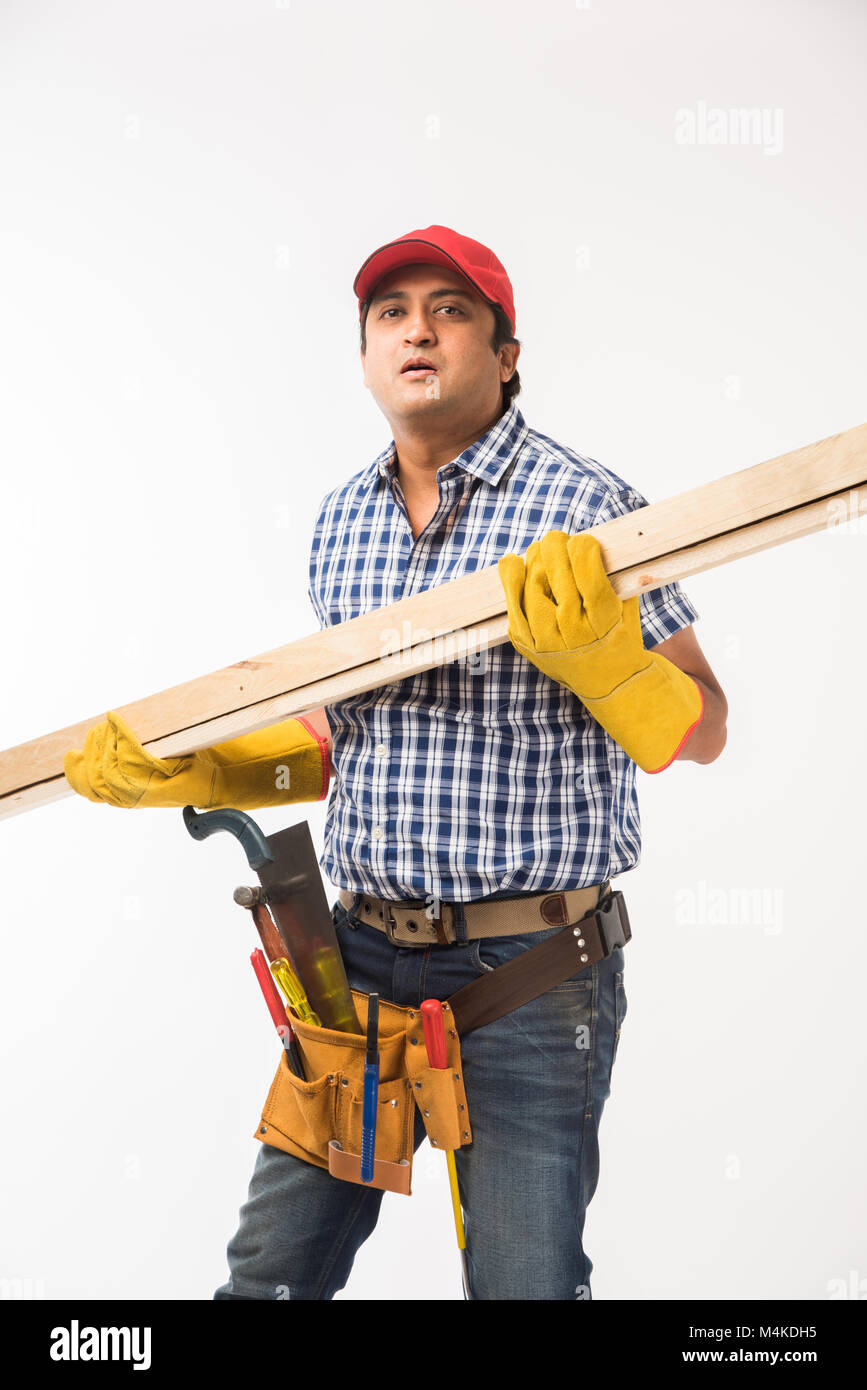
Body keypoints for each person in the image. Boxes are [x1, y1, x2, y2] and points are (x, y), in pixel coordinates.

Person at [64, 224, 728, 1300]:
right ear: (369, 353)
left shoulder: (585, 508)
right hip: (355, 966)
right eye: (392, 313)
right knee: (269, 1277)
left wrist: (609, 666)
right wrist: (206, 773)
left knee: (525, 1285)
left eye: (452, 309)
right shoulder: (341, 522)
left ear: (507, 353)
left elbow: (702, 728)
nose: (418, 329)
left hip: (530, 974)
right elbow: (342, 742)